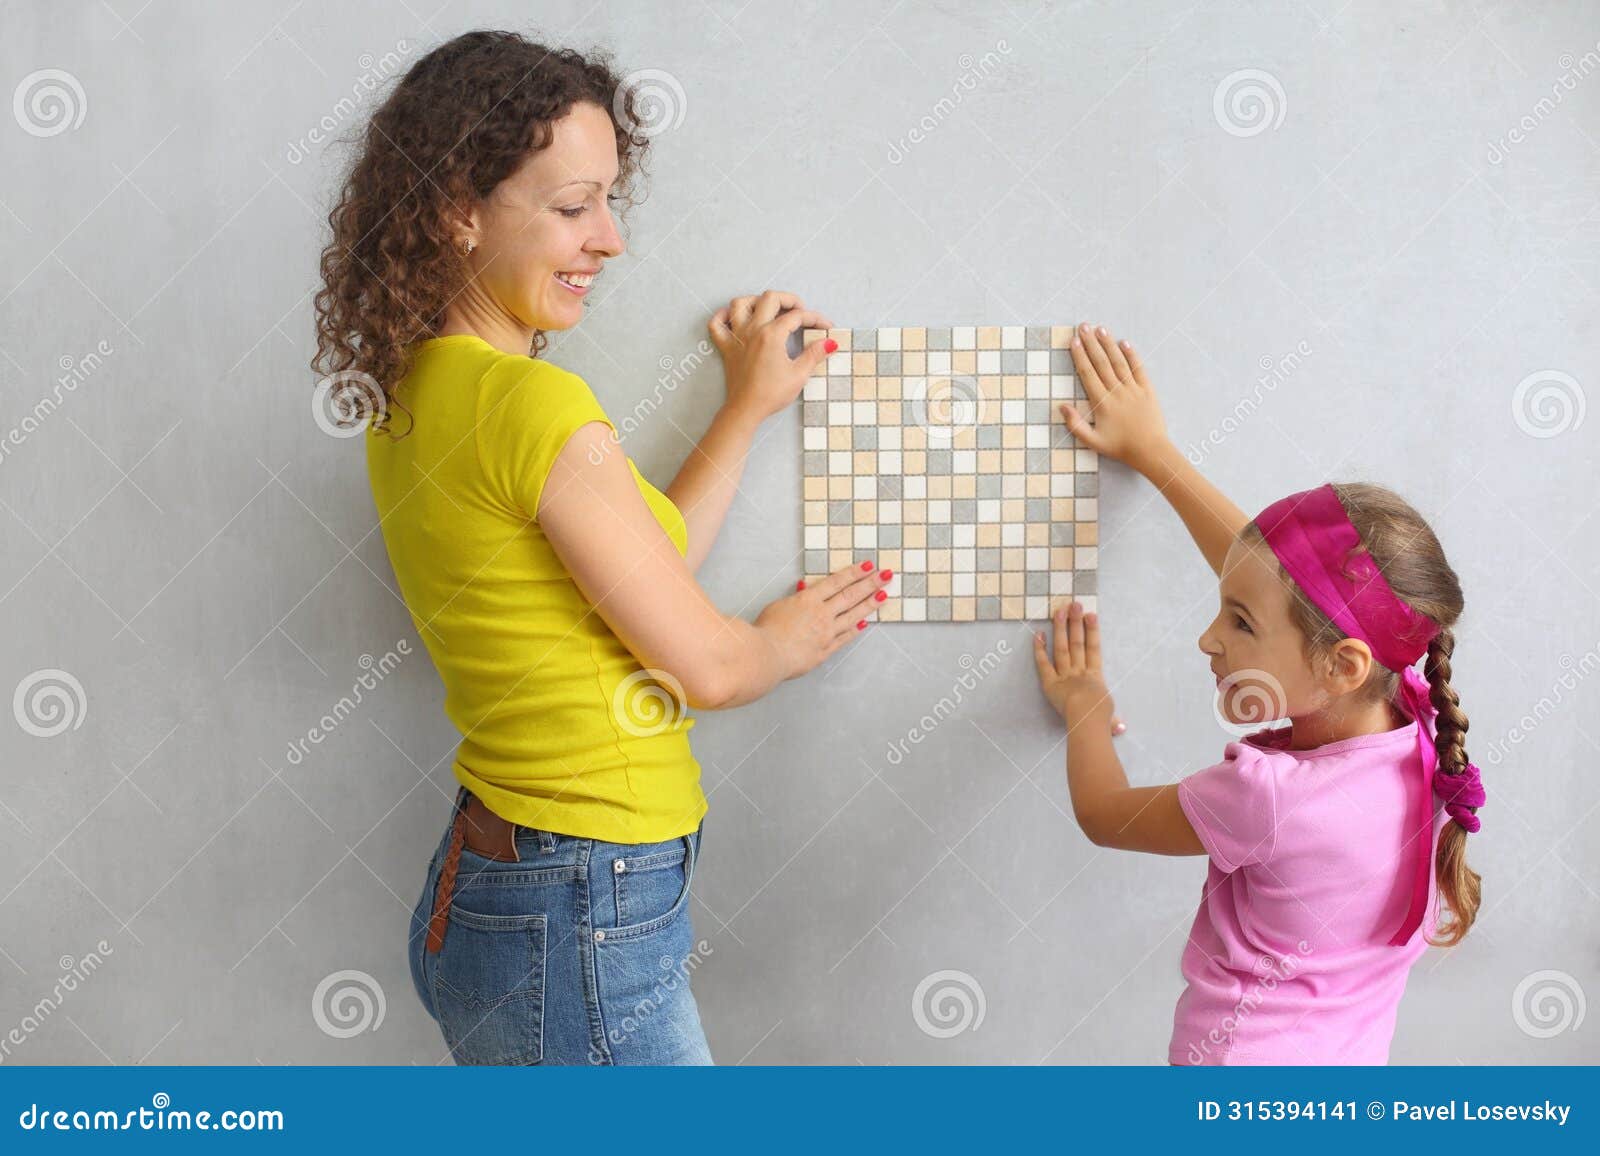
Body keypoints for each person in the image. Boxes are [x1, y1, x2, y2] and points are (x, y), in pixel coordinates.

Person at [312, 30, 891, 1065]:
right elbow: (706, 665)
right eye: (572, 207)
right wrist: (780, 640)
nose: (611, 240)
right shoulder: (531, 403)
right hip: (575, 904)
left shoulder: (416, 395)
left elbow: (642, 561)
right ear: (458, 209)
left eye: (609, 202)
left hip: (510, 886)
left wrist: (743, 409)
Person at [1033, 323, 1484, 1064]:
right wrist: (1154, 453)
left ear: (1341, 665)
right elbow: (1275, 583)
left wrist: (1084, 702)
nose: (1208, 640)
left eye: (1236, 624)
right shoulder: (1415, 716)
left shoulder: (1266, 798)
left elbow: (1102, 816)